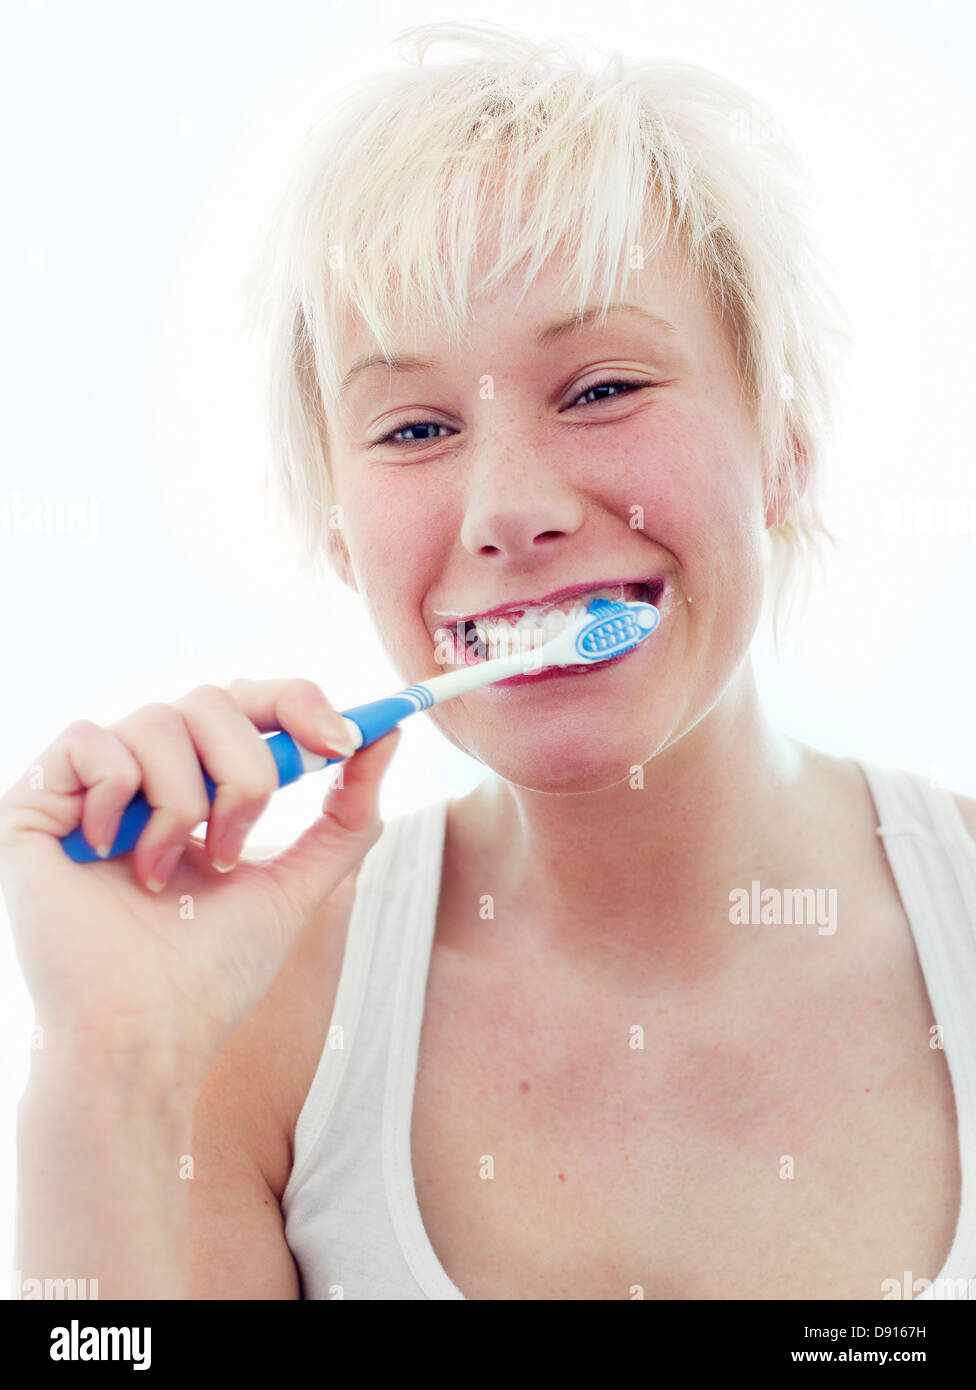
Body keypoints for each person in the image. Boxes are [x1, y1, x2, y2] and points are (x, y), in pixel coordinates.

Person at [3, 21, 975, 1302]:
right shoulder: (270, 1021)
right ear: (340, 532)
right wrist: (111, 1067)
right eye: (413, 425)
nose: (505, 509)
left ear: (784, 440)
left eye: (601, 389)